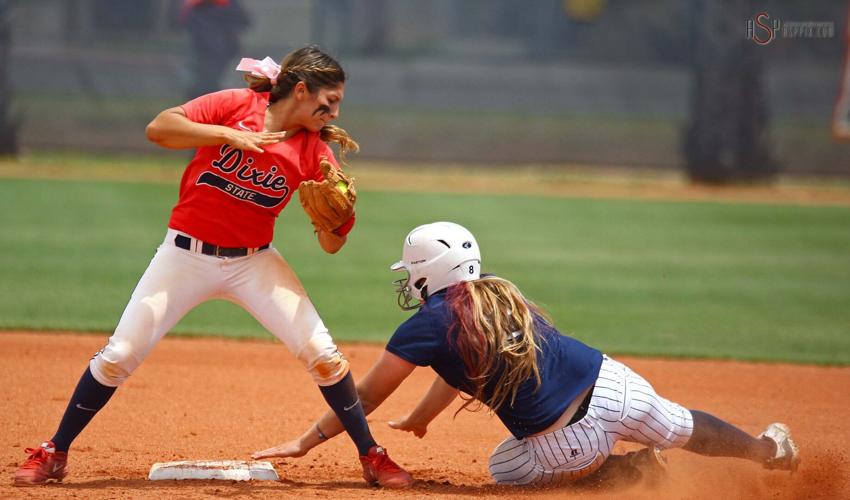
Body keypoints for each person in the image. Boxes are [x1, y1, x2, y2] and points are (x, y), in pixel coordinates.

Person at [13, 46, 412, 489]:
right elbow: (159, 129)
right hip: (184, 256)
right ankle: (55, 451)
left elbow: (331, 246)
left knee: (322, 354)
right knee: (120, 355)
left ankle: (371, 455)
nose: (335, 112)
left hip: (253, 262)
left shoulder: (314, 152)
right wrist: (226, 135)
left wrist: (334, 224)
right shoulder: (235, 106)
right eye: (329, 100)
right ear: (301, 90)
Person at [253, 221, 801, 487]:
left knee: (504, 466)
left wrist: (308, 440)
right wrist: (422, 416)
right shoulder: (499, 295)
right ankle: (769, 451)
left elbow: (367, 395)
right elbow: (463, 366)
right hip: (617, 385)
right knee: (680, 424)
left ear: (428, 273)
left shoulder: (428, 324)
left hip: (569, 442)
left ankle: (631, 472)